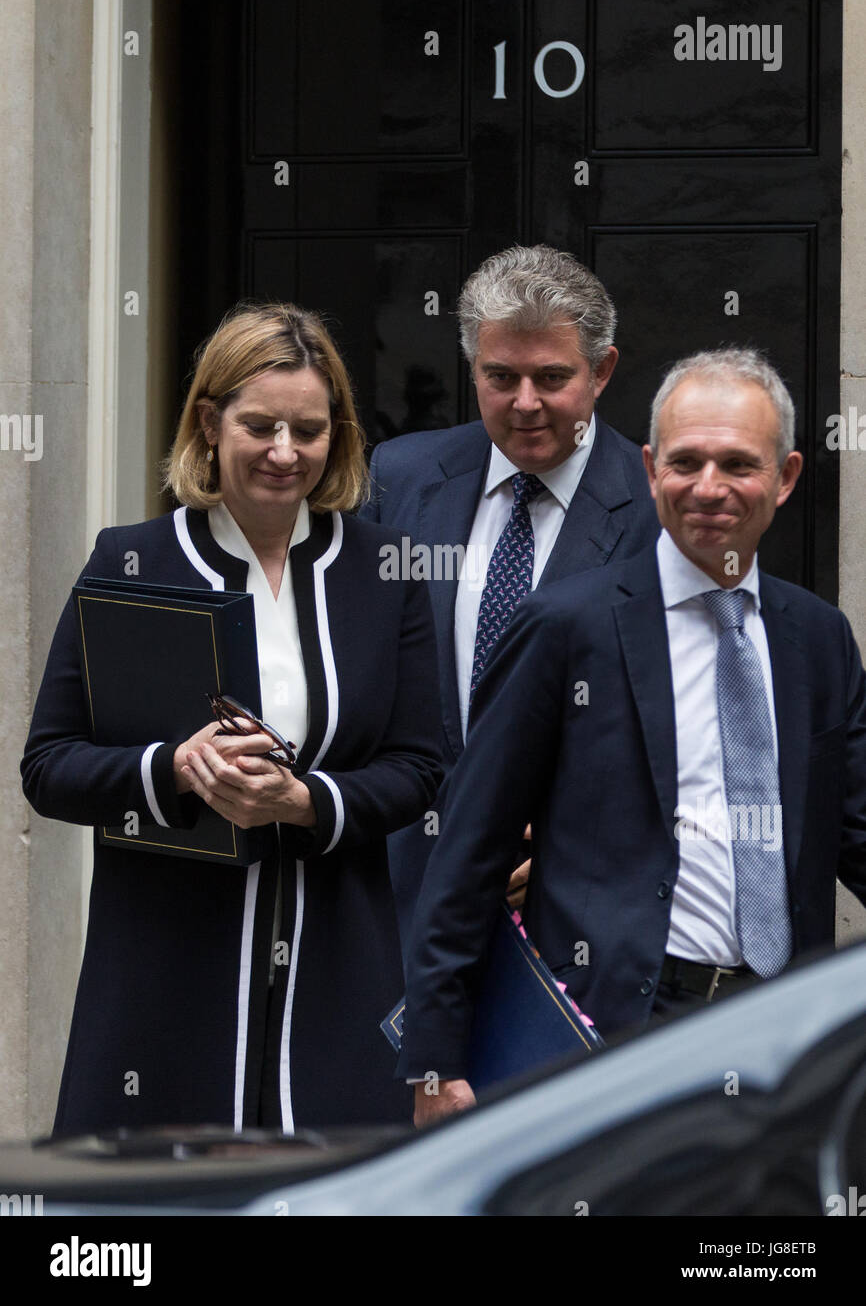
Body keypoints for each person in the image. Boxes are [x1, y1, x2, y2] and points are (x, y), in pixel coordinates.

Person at [397, 345, 866, 1126]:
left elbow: (855, 828)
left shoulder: (816, 637)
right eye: (685, 462)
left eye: (737, 465)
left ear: (784, 478)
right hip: (612, 1031)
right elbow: (468, 849)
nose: (709, 488)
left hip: (783, 1037)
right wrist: (437, 1059)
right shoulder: (565, 625)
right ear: (650, 470)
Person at [21, 301, 442, 1137]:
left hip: (337, 969)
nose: (286, 453)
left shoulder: (382, 570)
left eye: (310, 430)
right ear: (210, 423)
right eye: (260, 426)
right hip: (167, 968)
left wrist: (307, 803)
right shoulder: (132, 559)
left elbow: (420, 768)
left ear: (338, 435)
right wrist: (172, 769)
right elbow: (49, 765)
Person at [361, 244, 658, 949]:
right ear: (473, 369)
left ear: (602, 371)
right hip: (405, 901)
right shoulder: (401, 476)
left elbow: (679, 725)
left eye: (552, 377)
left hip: (578, 913)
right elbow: (364, 676)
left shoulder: (660, 508)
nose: (525, 404)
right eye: (501, 377)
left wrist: (561, 833)